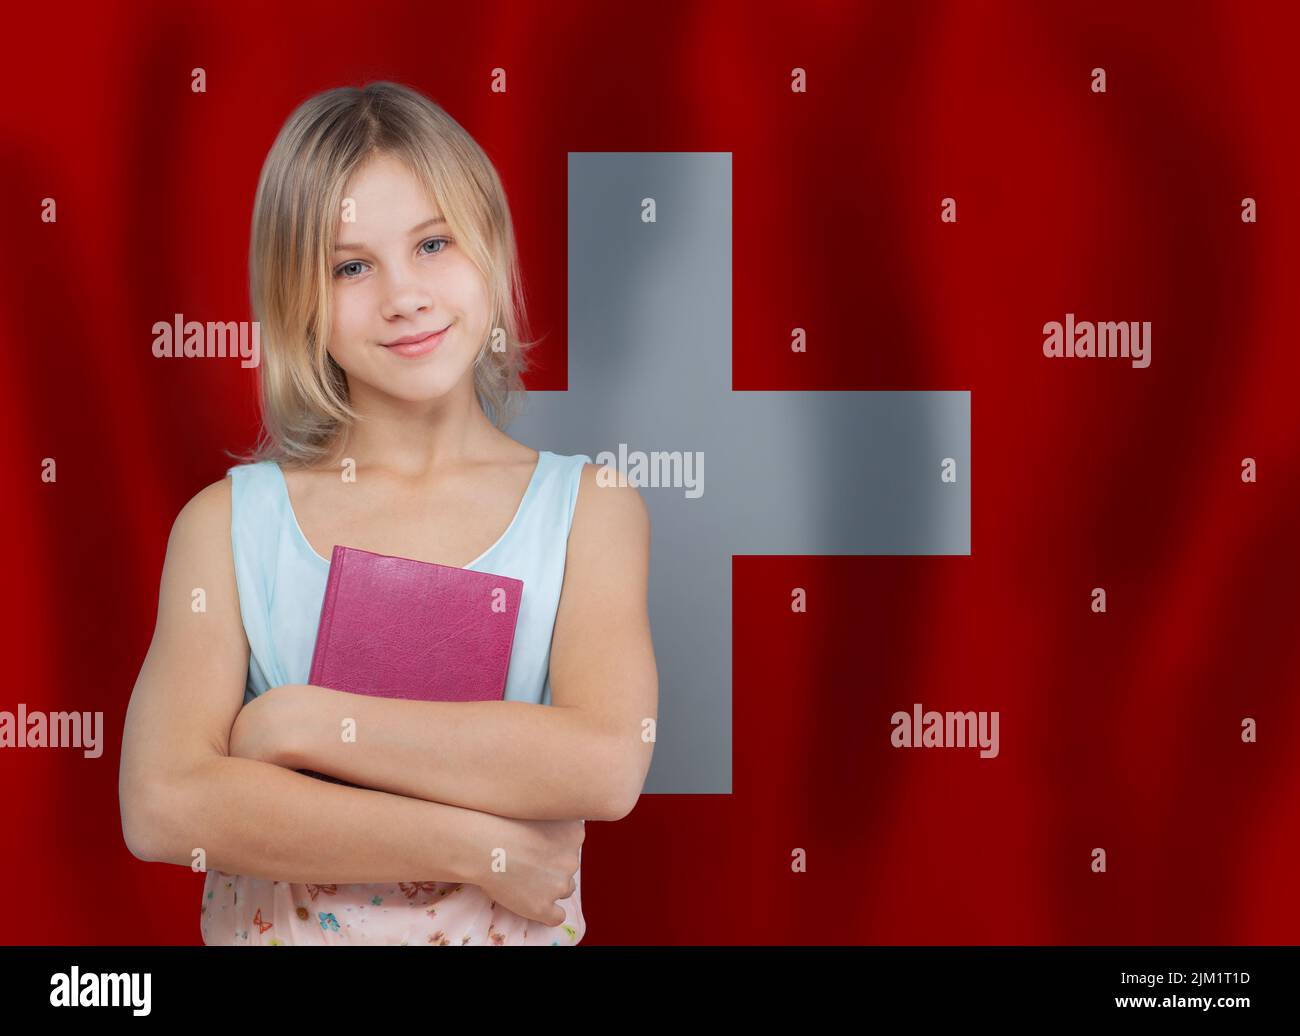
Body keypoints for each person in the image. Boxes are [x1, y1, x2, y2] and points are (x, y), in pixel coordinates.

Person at [118, 81, 658, 945]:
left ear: (490, 245)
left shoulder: (588, 510)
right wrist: (475, 847)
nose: (403, 295)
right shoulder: (227, 528)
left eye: (433, 243)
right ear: (298, 296)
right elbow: (161, 803)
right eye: (351, 266)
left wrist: (297, 724)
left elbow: (605, 761)